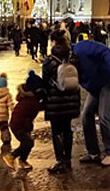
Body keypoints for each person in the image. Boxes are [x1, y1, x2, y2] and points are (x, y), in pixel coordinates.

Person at [73, 34, 110, 167]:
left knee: (103, 115)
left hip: (107, 82)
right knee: (86, 115)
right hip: (95, 87)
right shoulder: (67, 67)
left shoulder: (82, 48)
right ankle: (93, 152)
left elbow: (105, 51)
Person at [42, 32, 81, 174]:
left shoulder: (49, 61)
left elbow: (45, 82)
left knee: (56, 132)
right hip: (71, 101)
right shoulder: (73, 58)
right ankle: (68, 160)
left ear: (53, 42)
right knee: (67, 130)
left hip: (55, 103)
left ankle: (60, 161)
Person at [4, 71, 44, 170]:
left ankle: (23, 160)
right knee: (28, 143)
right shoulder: (32, 101)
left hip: (17, 123)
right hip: (18, 125)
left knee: (26, 143)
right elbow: (39, 107)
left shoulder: (27, 97)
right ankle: (11, 156)